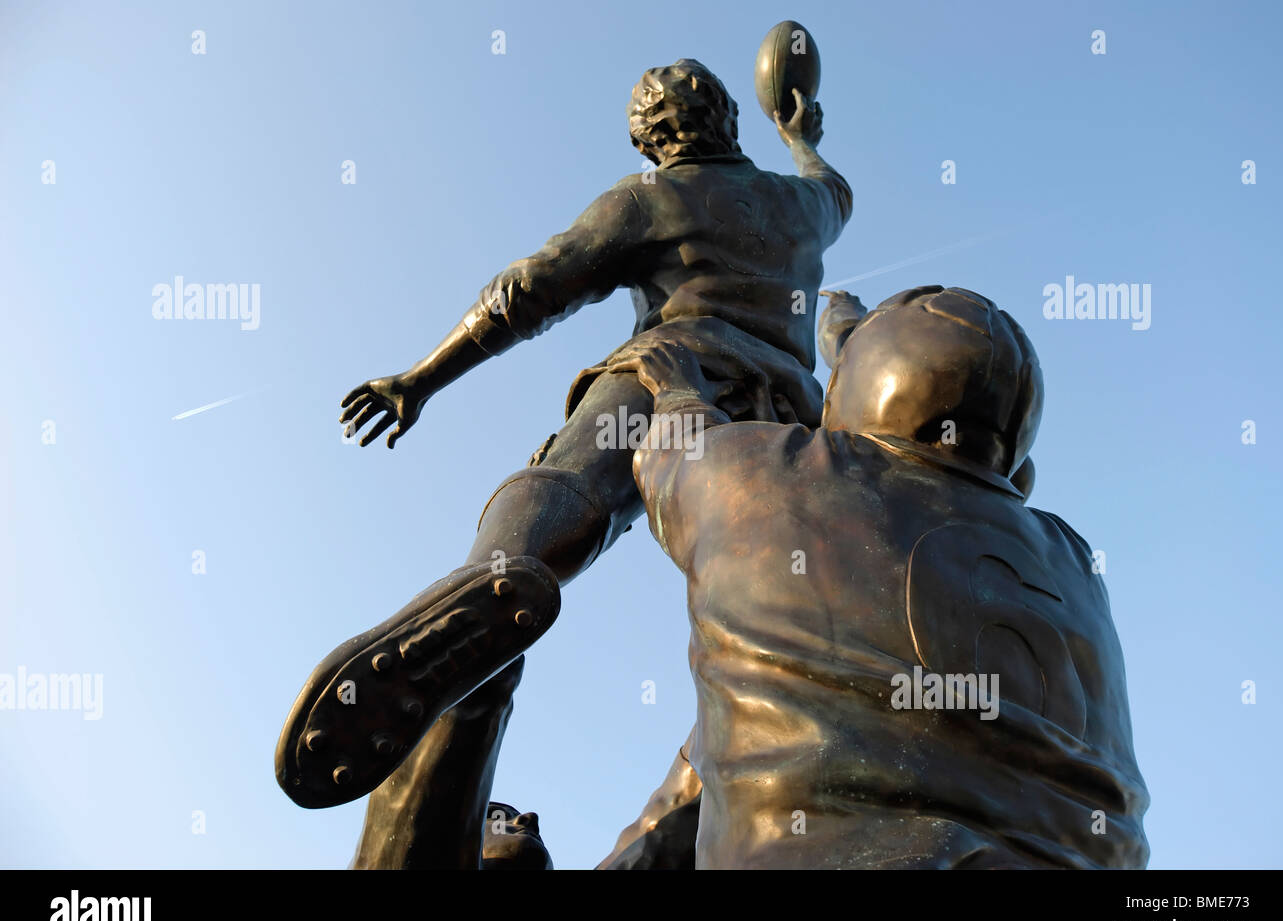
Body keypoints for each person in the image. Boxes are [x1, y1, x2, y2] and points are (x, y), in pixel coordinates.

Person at [277, 59, 852, 813]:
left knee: (578, 481)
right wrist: (798, 137)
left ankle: (496, 573)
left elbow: (526, 293)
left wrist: (419, 380)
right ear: (728, 120)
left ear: (651, 142)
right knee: (790, 605)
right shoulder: (799, 206)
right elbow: (837, 190)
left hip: (678, 370)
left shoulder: (653, 199)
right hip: (787, 427)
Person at [611, 286, 1150, 868]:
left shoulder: (755, 473)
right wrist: (847, 328)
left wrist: (678, 387)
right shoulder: (1073, 561)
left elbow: (674, 451)